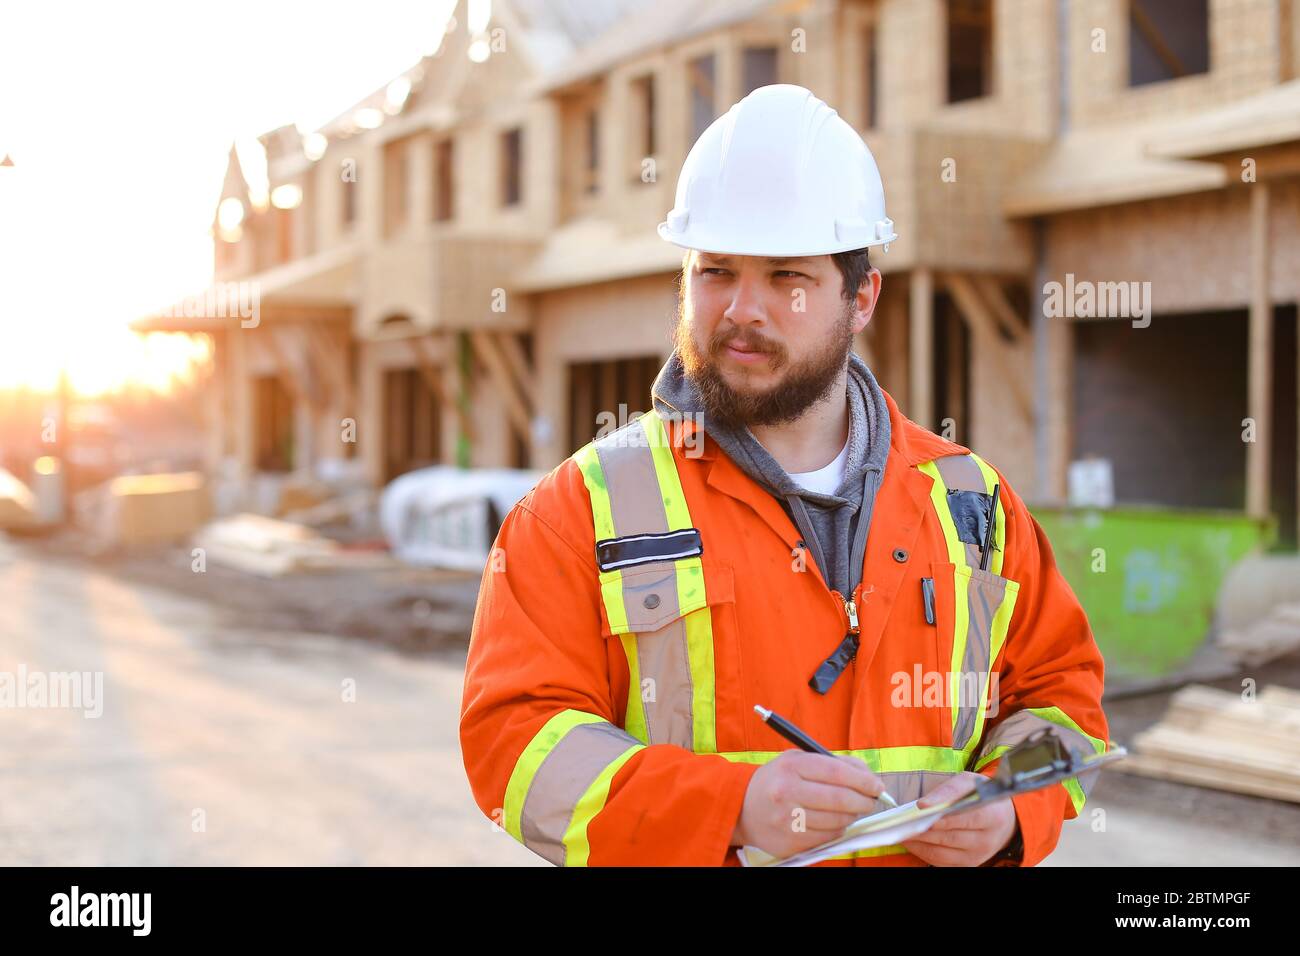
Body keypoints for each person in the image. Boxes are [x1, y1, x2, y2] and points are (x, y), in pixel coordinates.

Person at [459, 84, 1109, 866]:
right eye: (717, 272)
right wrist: (729, 809)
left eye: (787, 278)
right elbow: (515, 748)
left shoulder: (972, 504)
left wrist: (1009, 805)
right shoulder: (579, 509)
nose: (743, 309)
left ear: (861, 297)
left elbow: (1061, 701)